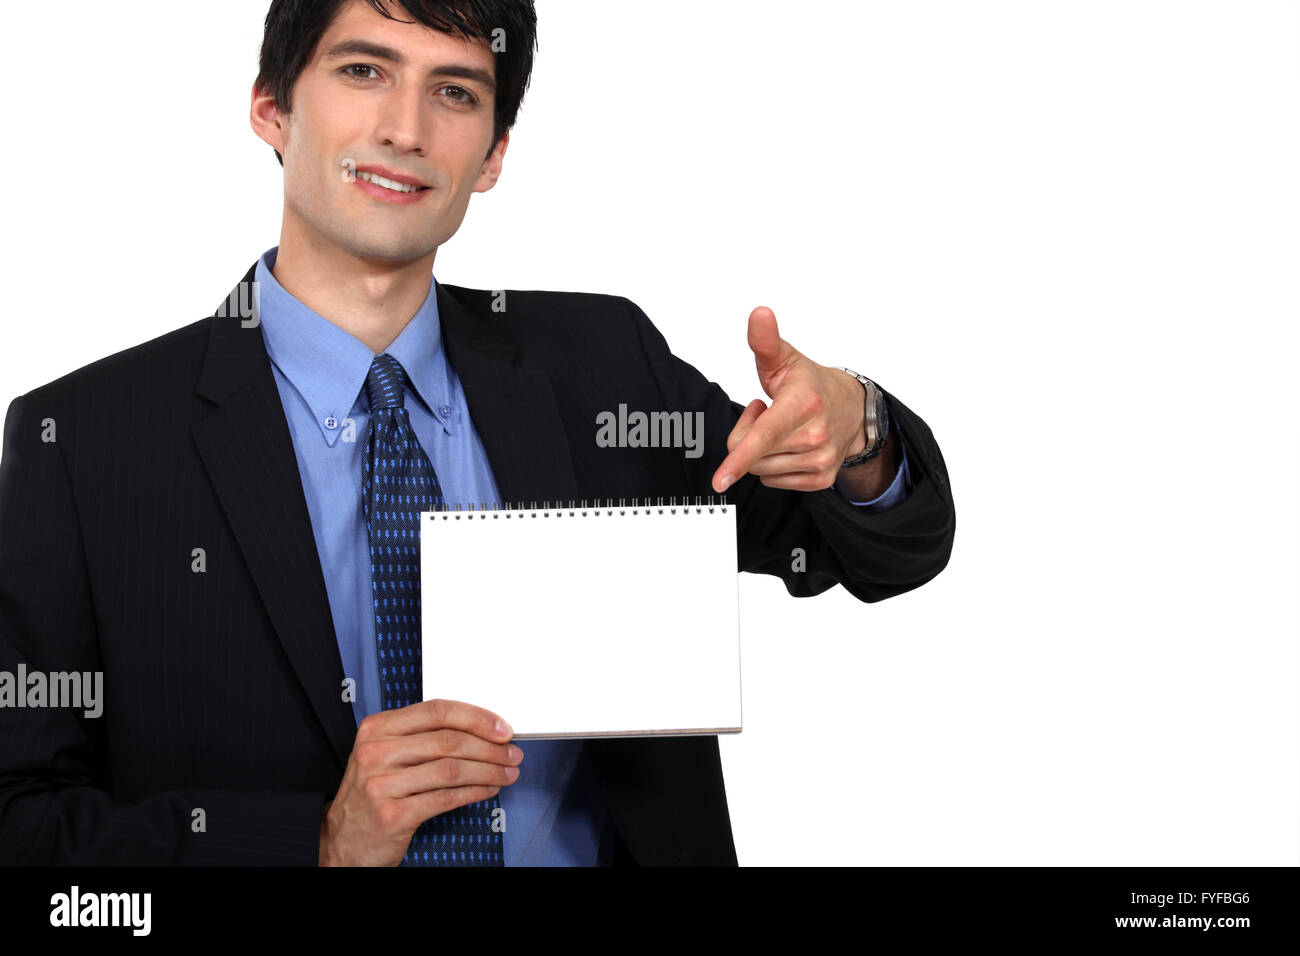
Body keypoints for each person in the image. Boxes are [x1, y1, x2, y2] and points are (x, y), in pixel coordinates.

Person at [0, 0, 955, 866]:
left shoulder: (601, 368)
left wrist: (857, 431)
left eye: (453, 91)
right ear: (270, 110)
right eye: (363, 71)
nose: (404, 129)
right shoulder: (81, 445)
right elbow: (23, 823)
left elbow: (873, 554)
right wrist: (317, 845)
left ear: (493, 154)